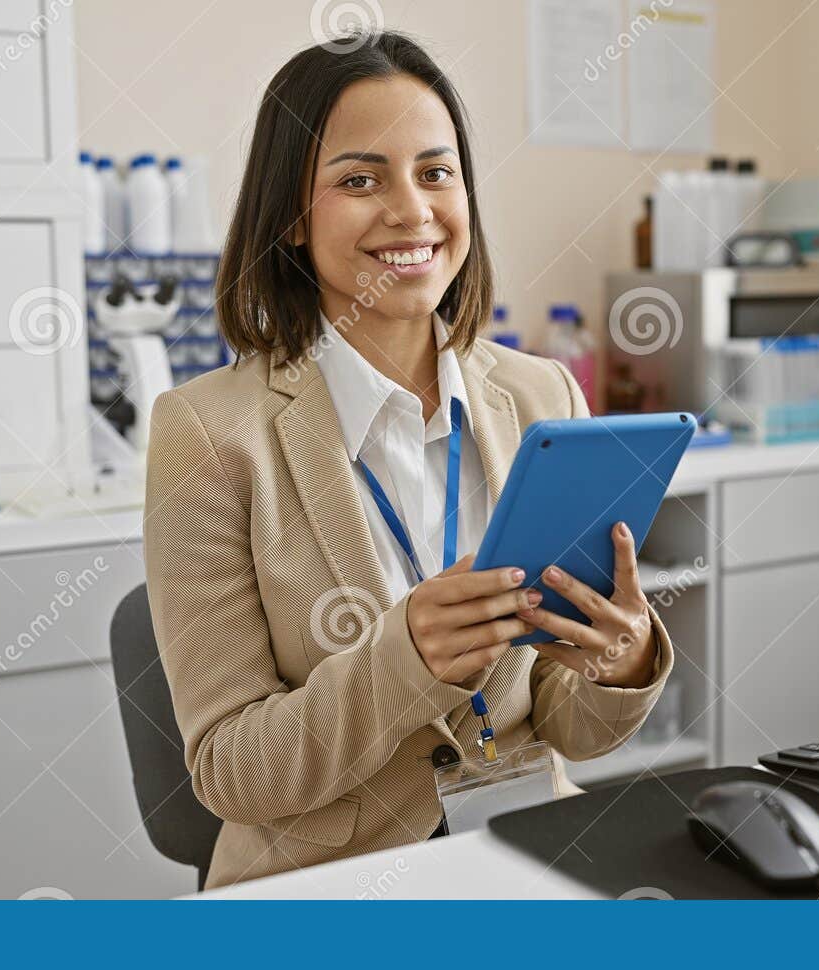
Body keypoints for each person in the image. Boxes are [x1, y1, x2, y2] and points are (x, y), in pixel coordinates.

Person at [143, 30, 673, 889]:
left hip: (521, 860)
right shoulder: (206, 434)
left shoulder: (545, 396)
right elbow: (230, 770)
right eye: (359, 179)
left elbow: (566, 727)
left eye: (436, 172)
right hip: (324, 887)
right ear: (289, 215)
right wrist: (403, 666)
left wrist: (625, 659)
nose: (412, 210)